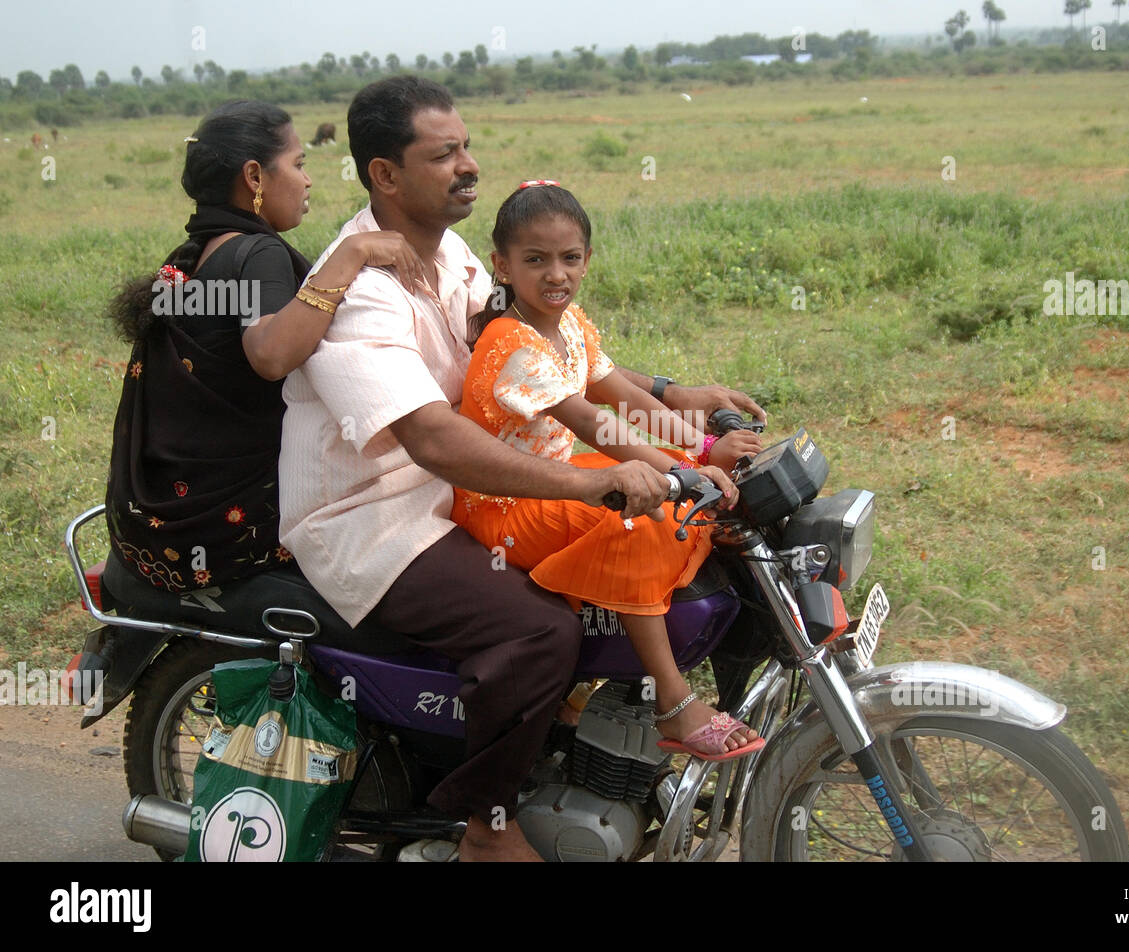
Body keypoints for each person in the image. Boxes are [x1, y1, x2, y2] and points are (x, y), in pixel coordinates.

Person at [277, 76, 766, 860]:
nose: (469, 166)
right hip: (375, 520)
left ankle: (577, 748)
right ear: (386, 174)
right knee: (540, 629)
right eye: (445, 154)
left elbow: (557, 367)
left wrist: (679, 402)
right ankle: (486, 828)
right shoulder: (364, 293)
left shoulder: (458, 260)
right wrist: (590, 480)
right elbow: (433, 441)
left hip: (460, 494)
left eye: (467, 146)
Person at [453, 181, 765, 760]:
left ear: (587, 260)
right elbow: (593, 424)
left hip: (554, 475)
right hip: (502, 505)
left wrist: (699, 450)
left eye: (570, 258)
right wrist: (685, 472)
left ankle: (591, 682)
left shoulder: (567, 325)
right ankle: (672, 702)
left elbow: (620, 396)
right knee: (645, 518)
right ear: (501, 265)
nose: (556, 275)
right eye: (535, 260)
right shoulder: (511, 342)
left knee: (681, 505)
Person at [104, 100, 426, 592]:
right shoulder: (258, 253)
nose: (307, 180)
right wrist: (352, 251)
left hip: (164, 521)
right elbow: (271, 354)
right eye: (298, 164)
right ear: (254, 177)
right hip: (227, 527)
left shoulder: (195, 256)